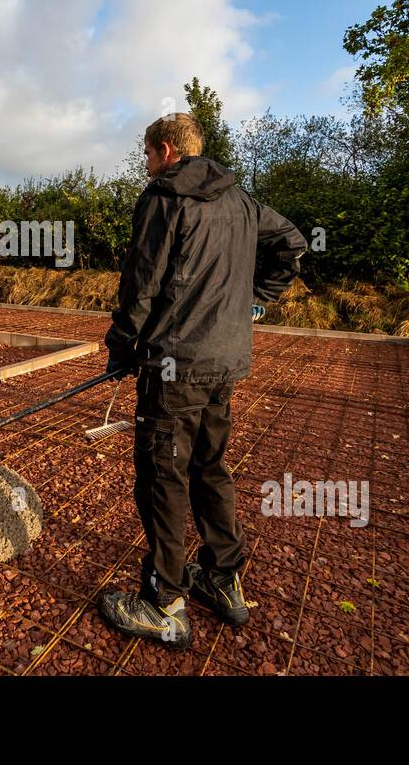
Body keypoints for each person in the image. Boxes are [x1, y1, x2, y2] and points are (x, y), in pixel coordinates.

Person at [98, 112, 306, 649]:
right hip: (225, 363)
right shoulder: (240, 201)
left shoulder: (164, 196)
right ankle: (222, 578)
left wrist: (122, 346)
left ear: (166, 150)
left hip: (175, 367)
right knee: (209, 468)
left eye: (146, 153)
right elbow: (294, 243)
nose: (145, 164)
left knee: (162, 478)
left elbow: (142, 285)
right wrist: (260, 298)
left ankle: (163, 602)